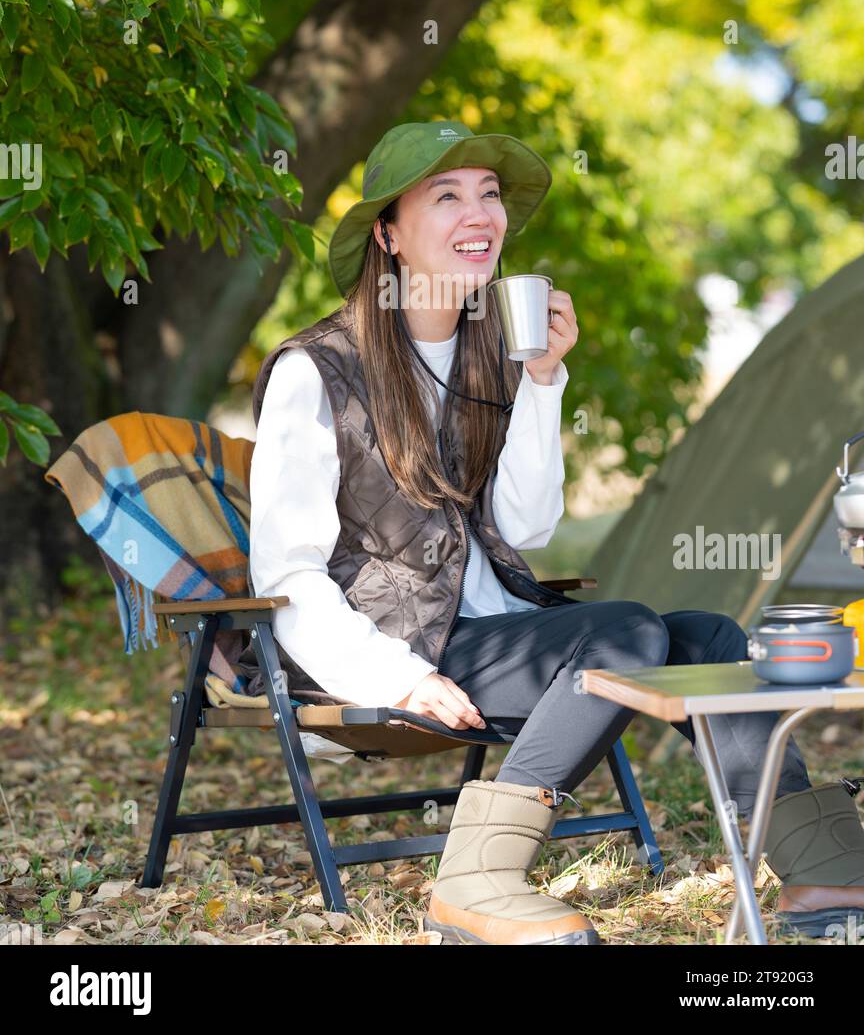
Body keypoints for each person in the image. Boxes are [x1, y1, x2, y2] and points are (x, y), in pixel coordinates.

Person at [249, 118, 864, 946]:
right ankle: (473, 883)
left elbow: (525, 524)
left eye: (490, 195)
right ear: (388, 234)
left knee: (709, 635)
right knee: (628, 634)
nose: (481, 213)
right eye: (447, 196)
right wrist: (392, 677)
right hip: (401, 644)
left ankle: (822, 869)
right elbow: (285, 575)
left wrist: (541, 381)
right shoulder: (313, 371)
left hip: (492, 634)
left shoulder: (488, 354)